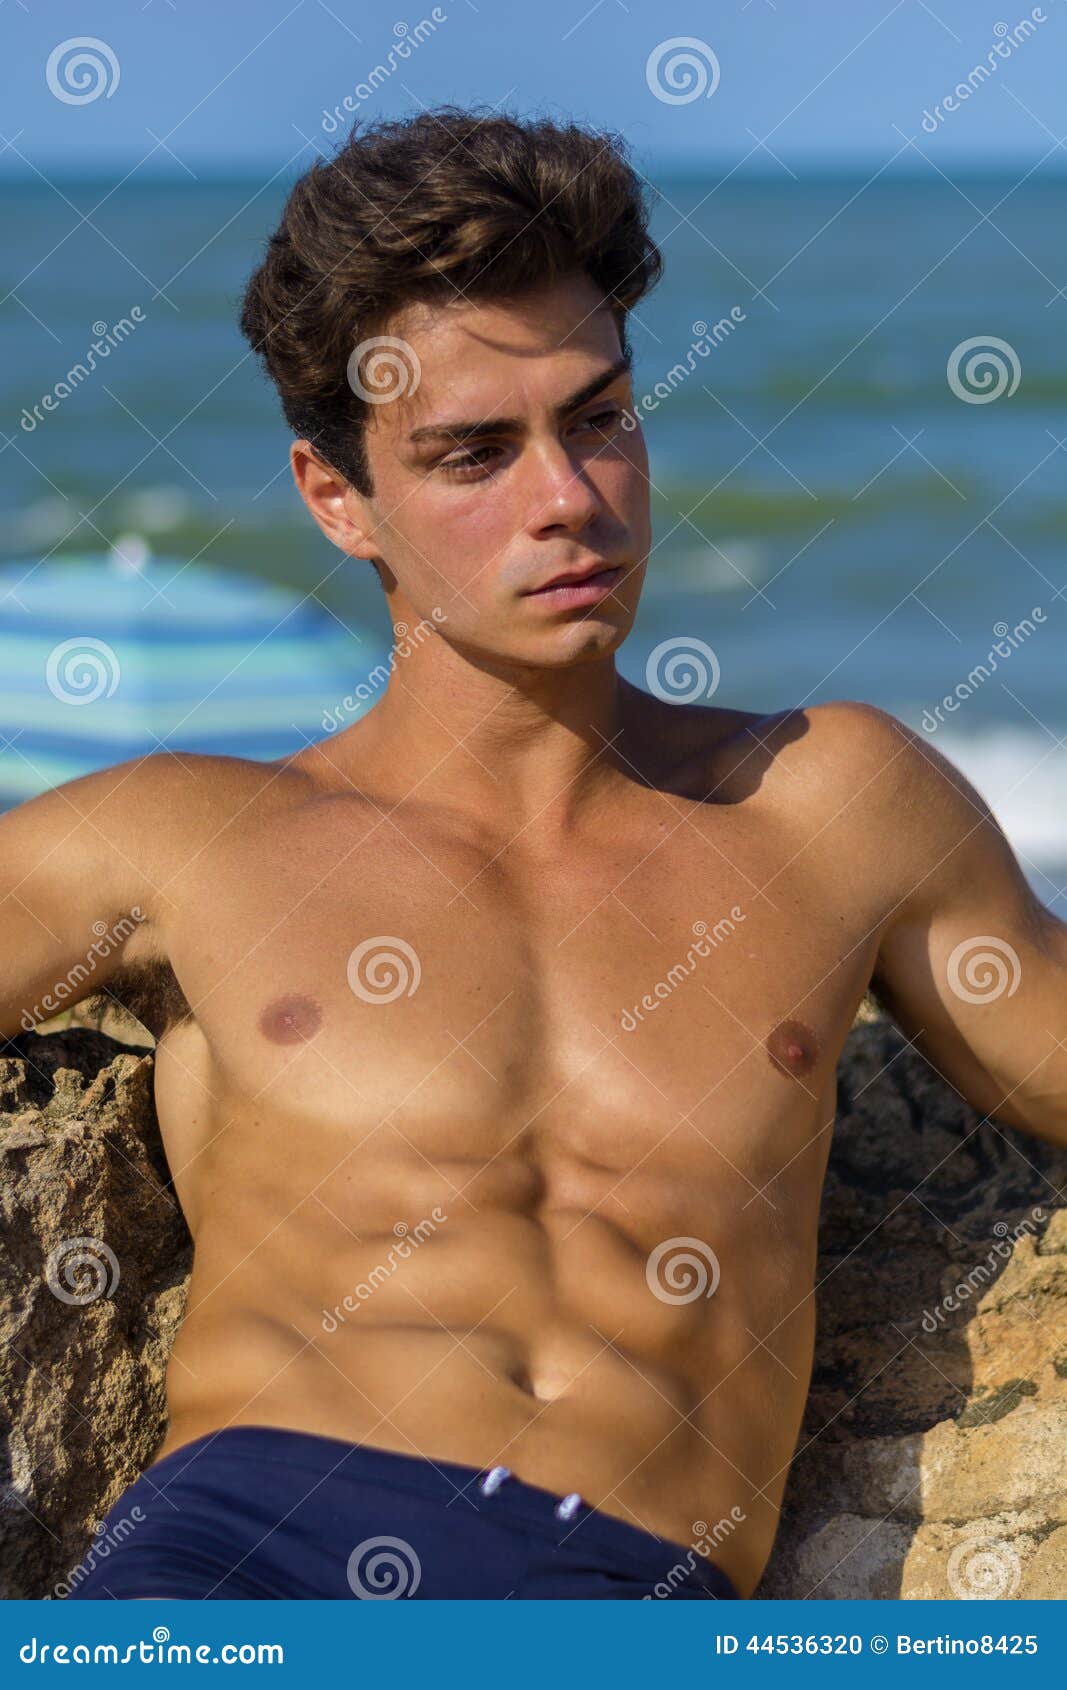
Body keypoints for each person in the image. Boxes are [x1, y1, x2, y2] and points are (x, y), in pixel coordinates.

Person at [4, 106, 1065, 1601]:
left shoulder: (826, 802)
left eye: (602, 418)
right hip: (237, 1569)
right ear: (336, 498)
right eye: (473, 453)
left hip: (622, 1597)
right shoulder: (188, 836)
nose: (568, 498)